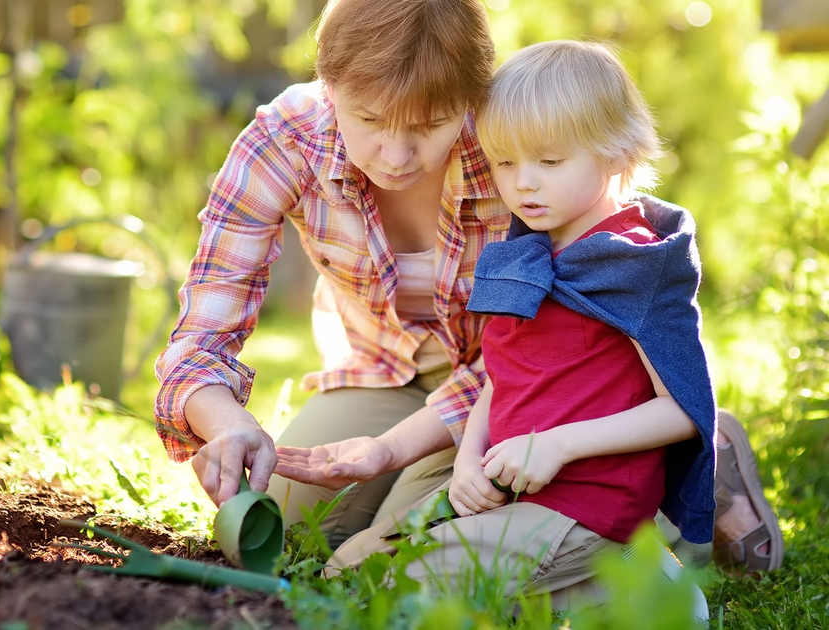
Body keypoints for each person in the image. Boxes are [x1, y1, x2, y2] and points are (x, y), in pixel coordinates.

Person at [279, 39, 745, 608]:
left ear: (617, 152)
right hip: (511, 493)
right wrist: (471, 458)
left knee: (383, 587)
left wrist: (556, 446)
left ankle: (622, 559)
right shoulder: (521, 250)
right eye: (505, 161)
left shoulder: (632, 263)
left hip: (587, 501)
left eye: (549, 162)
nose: (522, 183)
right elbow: (501, 377)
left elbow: (683, 406)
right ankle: (631, 588)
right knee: (346, 563)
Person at [152, 0, 507, 549]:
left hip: (512, 388)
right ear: (329, 86)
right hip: (383, 369)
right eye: (368, 119)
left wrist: (403, 450)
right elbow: (199, 337)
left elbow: (553, 344)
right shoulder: (286, 141)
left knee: (409, 547)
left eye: (431, 124)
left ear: (471, 100)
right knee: (293, 536)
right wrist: (227, 424)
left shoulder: (514, 141)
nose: (395, 155)